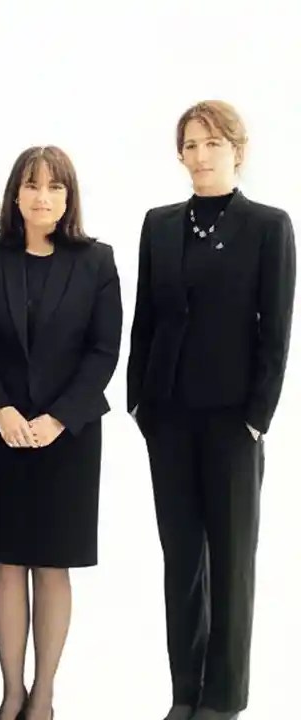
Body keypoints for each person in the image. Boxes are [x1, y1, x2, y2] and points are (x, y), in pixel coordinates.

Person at [127, 101, 296, 720]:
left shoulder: (268, 225)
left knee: (231, 561)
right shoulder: (160, 223)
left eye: (211, 144)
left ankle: (224, 698)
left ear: (237, 150)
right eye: (190, 145)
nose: (199, 155)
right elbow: (145, 318)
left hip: (232, 420)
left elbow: (276, 331)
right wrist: (139, 399)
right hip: (169, 417)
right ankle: (184, 692)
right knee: (182, 561)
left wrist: (257, 417)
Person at [0, 146, 122, 720]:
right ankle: (10, 693)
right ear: (15, 194)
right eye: (31, 185)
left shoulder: (96, 260)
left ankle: (44, 695)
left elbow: (104, 351)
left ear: (69, 195)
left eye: (54, 186)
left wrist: (56, 419)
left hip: (66, 435)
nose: (42, 196)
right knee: (6, 563)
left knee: (53, 564)